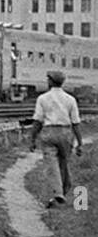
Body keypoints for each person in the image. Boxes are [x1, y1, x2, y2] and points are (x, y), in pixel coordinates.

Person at [29, 70, 83, 207]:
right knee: (64, 164)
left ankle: (58, 194)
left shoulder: (42, 98)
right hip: (66, 133)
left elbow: (37, 121)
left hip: (49, 133)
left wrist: (32, 139)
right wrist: (80, 143)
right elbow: (76, 122)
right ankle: (63, 192)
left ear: (50, 81)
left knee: (52, 164)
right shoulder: (70, 99)